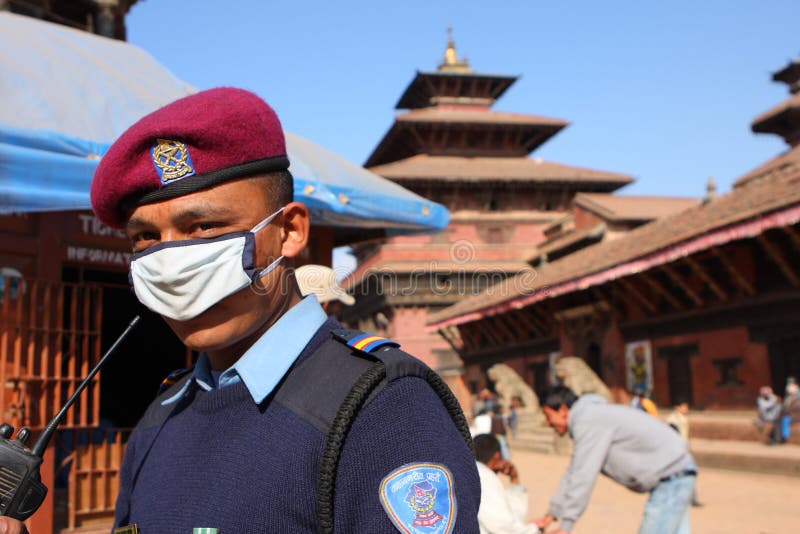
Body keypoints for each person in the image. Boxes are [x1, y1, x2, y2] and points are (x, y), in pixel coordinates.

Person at [0, 88, 483, 534]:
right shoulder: (162, 413)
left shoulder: (382, 408)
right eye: (146, 237)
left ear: (289, 232)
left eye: (204, 226)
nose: (171, 261)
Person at [533, 386, 697, 534]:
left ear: (563, 410)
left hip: (671, 478)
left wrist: (566, 526)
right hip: (677, 473)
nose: (548, 423)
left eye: (548, 416)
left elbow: (583, 475)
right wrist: (551, 515)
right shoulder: (590, 417)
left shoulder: (588, 420)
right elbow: (574, 472)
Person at [473, 434, 539, 534]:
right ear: (497, 455)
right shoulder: (484, 477)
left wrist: (514, 479)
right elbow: (503, 525)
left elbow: (512, 515)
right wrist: (534, 530)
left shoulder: (471, 472)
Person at [666, 399, 702, 507]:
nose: (686, 409)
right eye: (684, 407)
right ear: (677, 408)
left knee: (686, 473)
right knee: (685, 473)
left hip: (683, 449)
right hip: (677, 452)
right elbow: (673, 436)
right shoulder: (672, 420)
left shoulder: (682, 418)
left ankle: (691, 497)